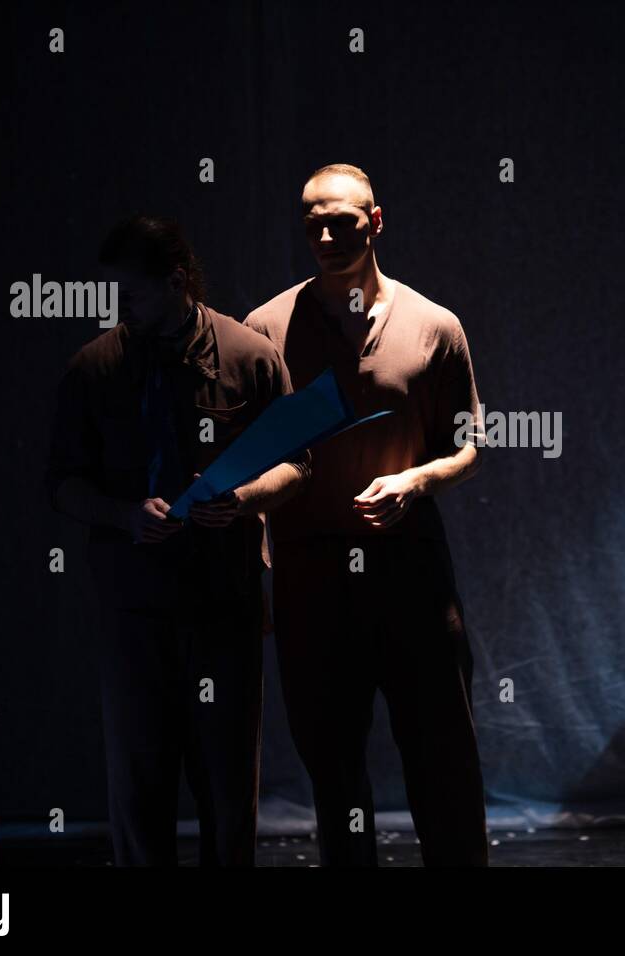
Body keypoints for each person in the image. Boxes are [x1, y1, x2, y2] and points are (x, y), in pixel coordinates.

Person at [46, 215, 309, 865]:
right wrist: (122, 513)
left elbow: (299, 462)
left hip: (226, 609)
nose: (118, 309)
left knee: (227, 791)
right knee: (139, 790)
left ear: (176, 281)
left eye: (130, 294)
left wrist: (241, 500)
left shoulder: (250, 357)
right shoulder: (93, 369)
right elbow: (63, 484)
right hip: (134, 616)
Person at [246, 164, 489, 866]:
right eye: (312, 221)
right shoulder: (267, 329)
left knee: (443, 757)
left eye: (341, 221)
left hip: (409, 569)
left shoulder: (433, 326)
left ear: (375, 221)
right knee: (334, 771)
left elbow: (469, 448)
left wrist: (415, 481)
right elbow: (253, 460)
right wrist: (260, 563)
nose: (324, 234)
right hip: (310, 574)